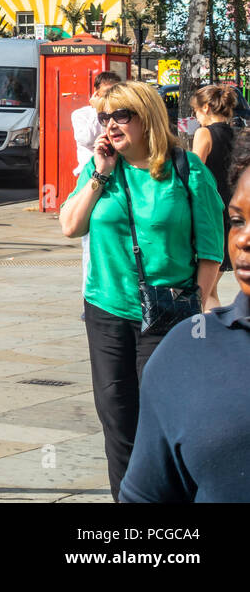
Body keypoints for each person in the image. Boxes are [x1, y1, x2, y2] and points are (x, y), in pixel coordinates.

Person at [58, 80, 224, 501]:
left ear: (146, 116)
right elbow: (69, 226)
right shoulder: (103, 170)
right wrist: (98, 173)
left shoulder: (187, 171)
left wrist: (196, 304)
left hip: (168, 314)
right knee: (117, 421)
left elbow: (211, 251)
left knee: (163, 418)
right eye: (104, 117)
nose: (110, 126)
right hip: (107, 310)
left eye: (121, 116)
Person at [120, 129, 250, 502]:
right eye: (238, 220)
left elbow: (208, 240)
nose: (242, 239)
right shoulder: (187, 354)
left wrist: (199, 290)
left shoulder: (188, 169)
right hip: (120, 308)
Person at [70, 71, 124, 292]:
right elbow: (85, 138)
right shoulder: (82, 114)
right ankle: (89, 293)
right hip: (90, 179)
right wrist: (98, 111)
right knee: (90, 242)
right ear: (95, 93)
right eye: (105, 94)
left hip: (118, 177)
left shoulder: (121, 115)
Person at [191, 84, 238, 270]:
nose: (196, 116)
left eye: (196, 110)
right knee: (212, 286)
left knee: (207, 288)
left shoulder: (204, 133)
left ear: (206, 108)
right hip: (232, 206)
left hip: (211, 207)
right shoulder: (236, 133)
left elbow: (195, 172)